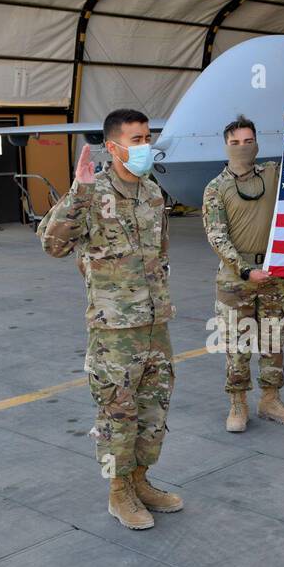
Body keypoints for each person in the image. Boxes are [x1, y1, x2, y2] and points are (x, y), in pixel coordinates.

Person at [41, 108, 182, 530]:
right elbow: (52, 245)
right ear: (113, 146)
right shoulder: (91, 191)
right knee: (117, 416)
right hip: (114, 331)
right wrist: (78, 193)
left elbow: (161, 256)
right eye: (136, 140)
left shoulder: (154, 194)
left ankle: (141, 481)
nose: (145, 147)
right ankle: (118, 492)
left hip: (156, 325)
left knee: (154, 412)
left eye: (147, 138)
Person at [201, 115, 284, 432]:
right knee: (237, 345)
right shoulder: (216, 189)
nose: (242, 147)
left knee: (274, 342)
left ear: (257, 142)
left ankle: (270, 400)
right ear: (225, 145)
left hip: (273, 272)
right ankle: (238, 404)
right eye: (235, 142)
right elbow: (217, 237)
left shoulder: (273, 174)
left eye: (248, 141)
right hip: (236, 278)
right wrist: (246, 270)